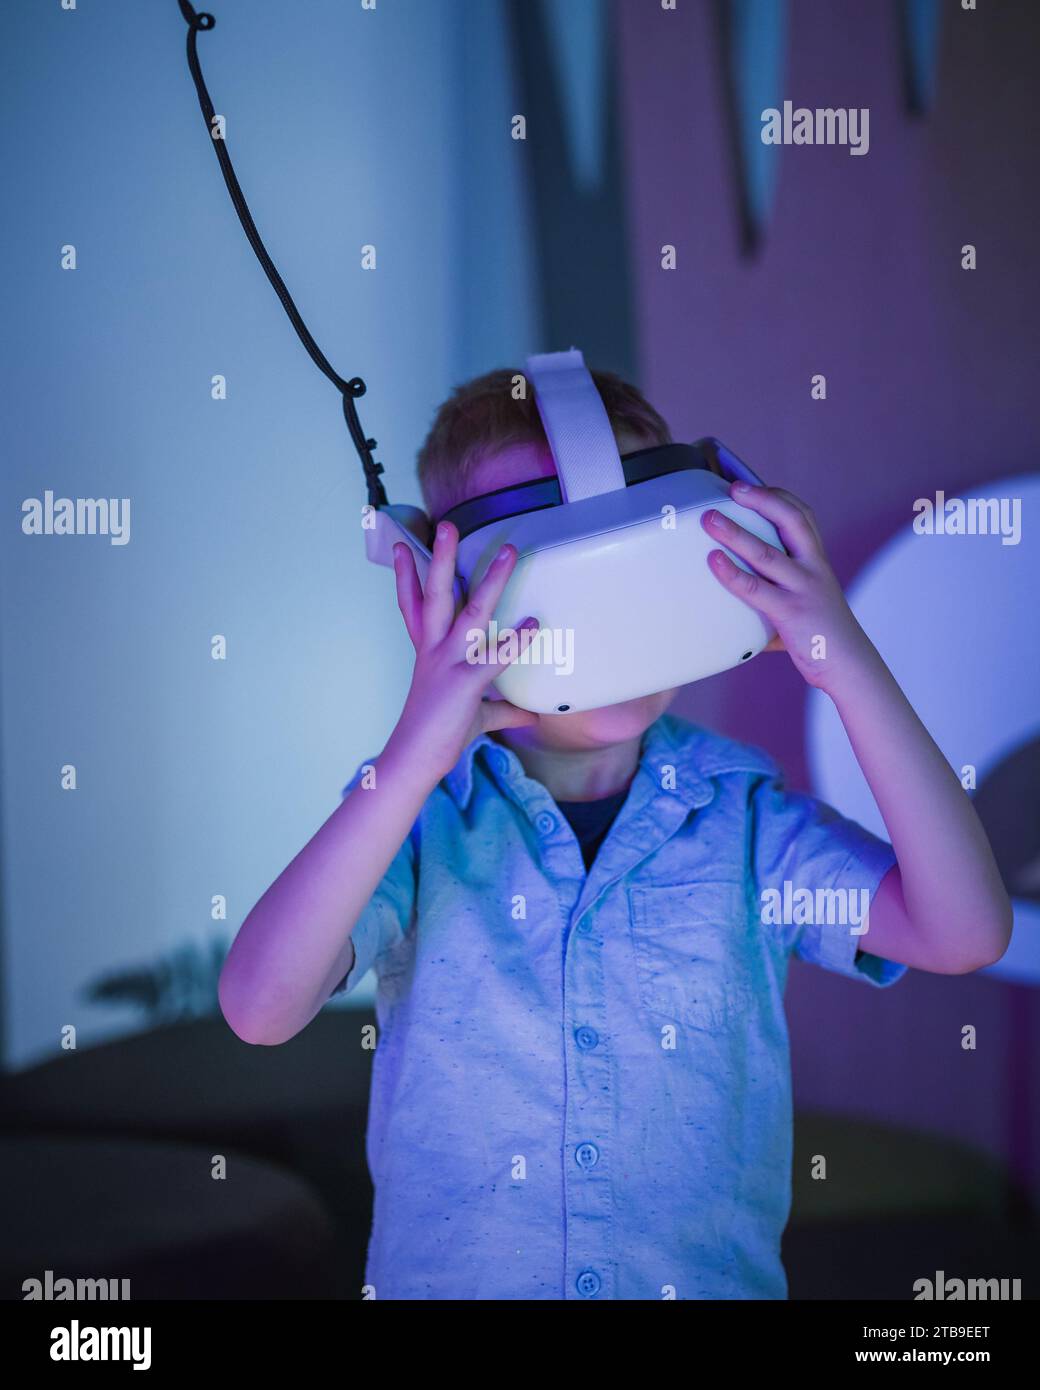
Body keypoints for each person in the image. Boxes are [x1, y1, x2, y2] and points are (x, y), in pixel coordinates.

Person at [218, 367, 1012, 1300]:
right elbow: (261, 1008)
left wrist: (845, 657)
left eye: (637, 562)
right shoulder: (424, 825)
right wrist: (410, 757)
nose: (614, 624)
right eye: (562, 574)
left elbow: (963, 931)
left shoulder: (746, 823)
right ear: (441, 587)